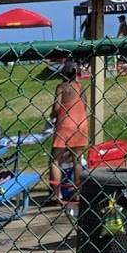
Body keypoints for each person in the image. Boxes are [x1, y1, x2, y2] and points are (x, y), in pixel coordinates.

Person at [49, 62, 88, 205]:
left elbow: (57, 107)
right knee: (77, 160)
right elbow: (85, 105)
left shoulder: (61, 87)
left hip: (65, 125)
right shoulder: (80, 87)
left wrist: (51, 114)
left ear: (63, 74)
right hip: (81, 124)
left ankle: (57, 193)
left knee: (55, 159)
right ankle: (78, 192)